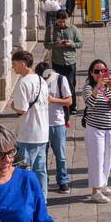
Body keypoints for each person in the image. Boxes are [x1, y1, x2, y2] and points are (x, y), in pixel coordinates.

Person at [80, 59, 111, 204]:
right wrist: (97, 87)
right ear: (91, 73)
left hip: (110, 128)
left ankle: (103, 184)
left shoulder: (109, 86)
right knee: (96, 159)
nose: (100, 73)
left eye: (103, 70)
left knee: (107, 159)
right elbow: (89, 103)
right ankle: (95, 191)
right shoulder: (88, 88)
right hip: (95, 129)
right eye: (96, 71)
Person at [9, 49, 50, 193]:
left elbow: (22, 110)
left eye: (14, 64)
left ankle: (27, 202)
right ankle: (42, 200)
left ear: (23, 64)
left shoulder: (23, 83)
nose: (12, 67)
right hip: (43, 132)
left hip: (28, 134)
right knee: (41, 171)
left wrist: (13, 105)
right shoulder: (41, 80)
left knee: (23, 172)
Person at [38, 60, 72, 194]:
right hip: (41, 123)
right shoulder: (37, 82)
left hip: (57, 123)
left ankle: (63, 180)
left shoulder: (60, 79)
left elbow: (69, 100)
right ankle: (43, 182)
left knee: (61, 155)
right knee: (42, 156)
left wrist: (53, 100)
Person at [44, 9, 81, 118]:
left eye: (64, 21)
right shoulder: (51, 29)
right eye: (60, 22)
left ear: (67, 19)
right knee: (58, 85)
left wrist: (72, 44)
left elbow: (80, 43)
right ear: (56, 20)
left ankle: (72, 106)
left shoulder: (73, 28)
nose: (62, 24)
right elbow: (46, 45)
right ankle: (61, 105)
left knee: (70, 84)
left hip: (70, 62)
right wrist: (55, 44)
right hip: (57, 61)